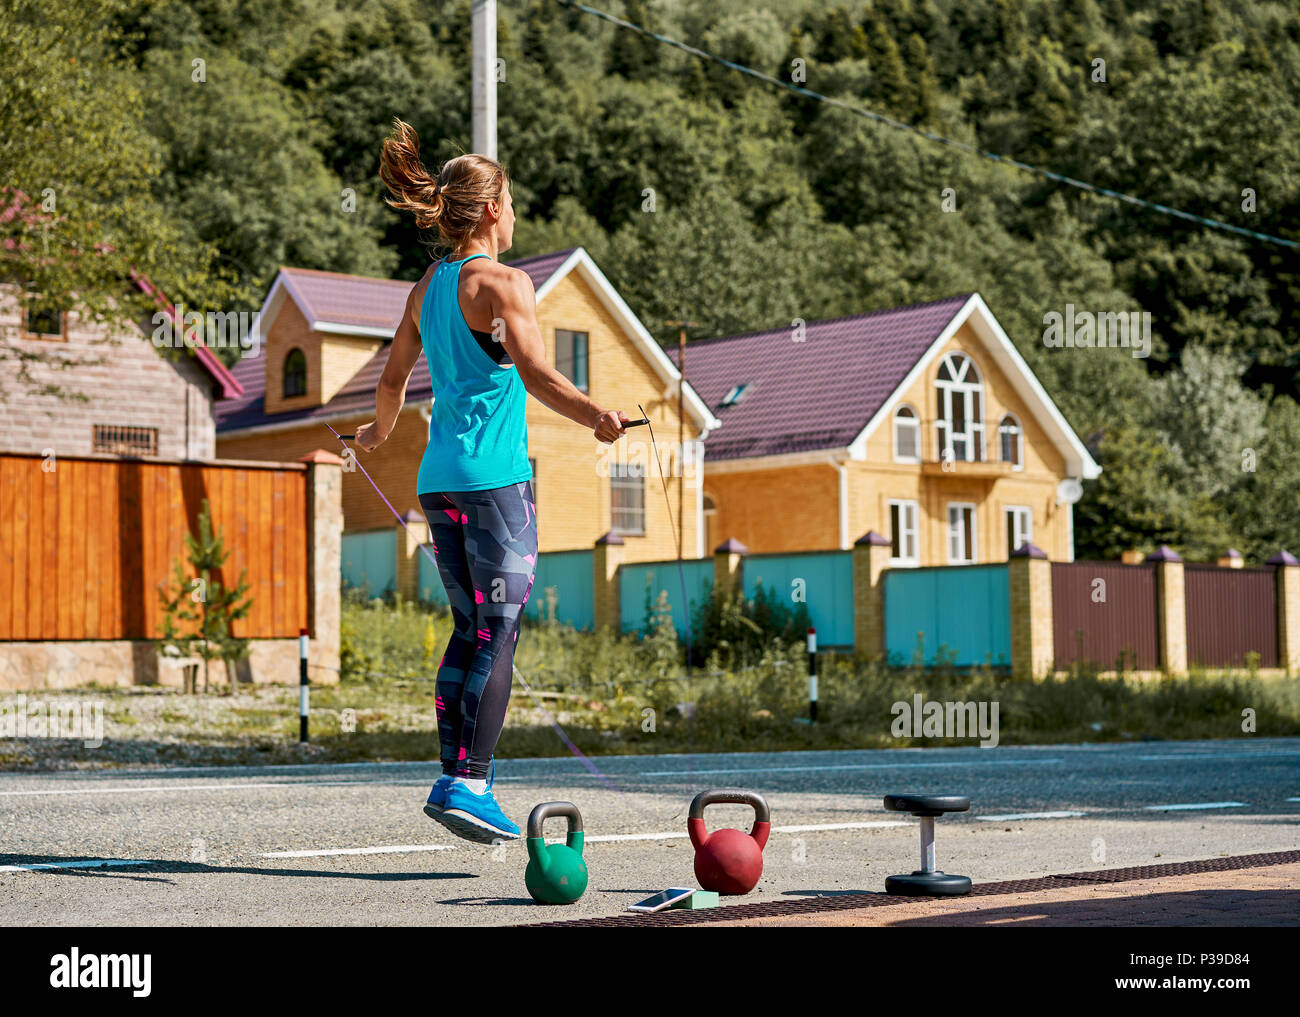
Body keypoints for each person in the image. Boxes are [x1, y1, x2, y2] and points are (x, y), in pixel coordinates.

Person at [354, 119, 631, 843]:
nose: (514, 213)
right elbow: (537, 373)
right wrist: (596, 414)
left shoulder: (429, 286)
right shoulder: (506, 283)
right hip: (495, 483)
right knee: (500, 628)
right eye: (509, 201)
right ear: (487, 211)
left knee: (470, 626)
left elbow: (391, 381)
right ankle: (471, 780)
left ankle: (459, 774)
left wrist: (375, 435)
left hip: (437, 479)